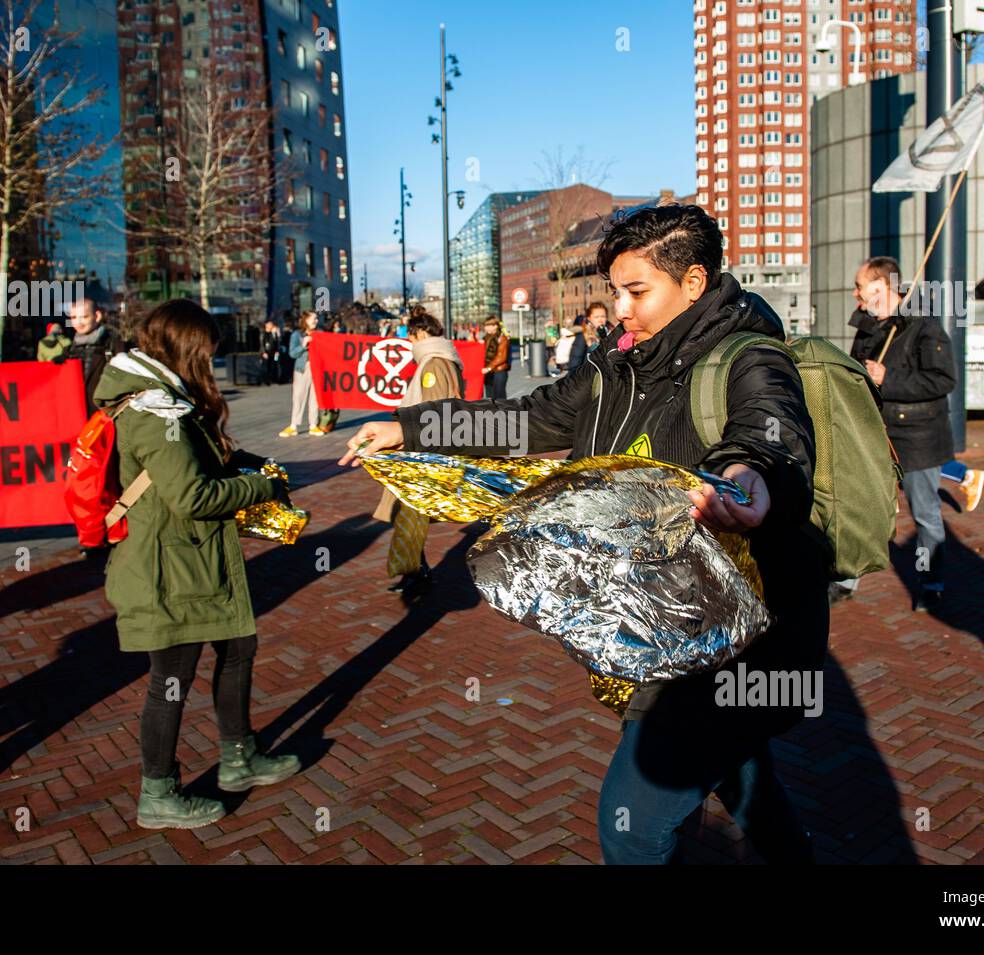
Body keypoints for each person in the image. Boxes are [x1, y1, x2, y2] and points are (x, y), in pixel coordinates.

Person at [340, 203, 826, 865]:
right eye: (615, 292)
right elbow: (526, 420)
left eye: (636, 291)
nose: (621, 309)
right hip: (658, 624)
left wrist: (749, 475)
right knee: (745, 780)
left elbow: (771, 431)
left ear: (693, 283)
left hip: (730, 636)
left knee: (631, 825)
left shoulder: (748, 355)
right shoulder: (614, 367)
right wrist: (412, 426)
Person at [93, 299, 301, 830]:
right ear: (185, 346)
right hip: (169, 568)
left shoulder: (165, 398)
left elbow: (204, 464)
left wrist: (255, 467)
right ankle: (158, 794)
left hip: (196, 559)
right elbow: (191, 494)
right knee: (170, 680)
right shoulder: (151, 411)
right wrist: (263, 486)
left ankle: (239, 758)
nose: (210, 360)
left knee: (239, 649)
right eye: (205, 350)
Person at [847, 255, 962, 612]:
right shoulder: (867, 329)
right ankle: (847, 578)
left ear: (882, 287)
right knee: (863, 509)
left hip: (917, 439)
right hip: (875, 437)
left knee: (925, 514)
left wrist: (888, 378)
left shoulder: (923, 328)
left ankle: (931, 583)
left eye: (860, 285)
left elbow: (943, 380)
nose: (855, 294)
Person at [372, 310, 464, 600]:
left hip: (422, 452)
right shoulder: (443, 358)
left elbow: (433, 409)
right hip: (426, 449)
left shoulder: (433, 363)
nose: (408, 342)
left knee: (408, 513)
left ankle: (416, 572)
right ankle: (415, 570)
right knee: (409, 514)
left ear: (421, 334)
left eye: (409, 336)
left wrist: (412, 437)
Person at [68, 298, 125, 416]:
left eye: (84, 317)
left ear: (97, 316)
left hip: (104, 414)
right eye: (74, 317)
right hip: (76, 414)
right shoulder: (69, 349)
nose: (78, 322)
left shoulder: (112, 344)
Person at [280, 310, 326, 437]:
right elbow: (292, 353)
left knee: (315, 397)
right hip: (302, 368)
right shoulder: (297, 334)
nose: (315, 321)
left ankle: (313, 425)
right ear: (305, 320)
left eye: (316, 318)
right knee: (299, 396)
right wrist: (304, 344)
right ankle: (294, 425)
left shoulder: (320, 333)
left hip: (317, 368)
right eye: (313, 318)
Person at [481, 316, 510, 399]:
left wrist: (489, 368)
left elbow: (502, 357)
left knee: (499, 396)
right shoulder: (486, 338)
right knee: (490, 396)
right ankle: (493, 411)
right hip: (488, 371)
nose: (486, 328)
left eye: (488, 325)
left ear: (495, 326)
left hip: (499, 370)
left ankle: (503, 411)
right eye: (485, 326)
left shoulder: (502, 338)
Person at [258, 319, 283, 386]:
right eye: (270, 324)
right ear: (266, 325)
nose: (271, 325)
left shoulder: (274, 333)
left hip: (274, 353)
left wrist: (277, 334)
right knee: (266, 366)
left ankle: (276, 379)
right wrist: (263, 352)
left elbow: (278, 343)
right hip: (266, 353)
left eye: (272, 324)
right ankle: (266, 380)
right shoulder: (263, 334)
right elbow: (261, 344)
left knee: (276, 365)